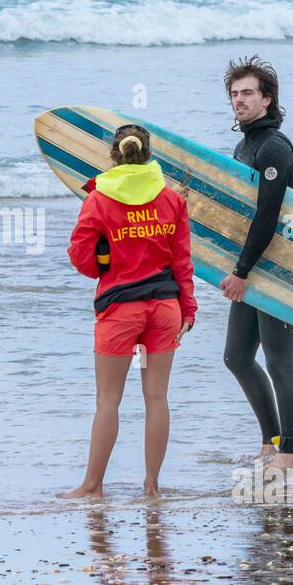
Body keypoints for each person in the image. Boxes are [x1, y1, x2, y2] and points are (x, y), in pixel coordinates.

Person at [62, 125, 196, 498]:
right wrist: (189, 309)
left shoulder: (98, 199)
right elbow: (183, 262)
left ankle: (92, 486)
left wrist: (104, 262)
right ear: (149, 155)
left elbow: (82, 259)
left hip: (120, 310)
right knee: (157, 397)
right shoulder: (172, 199)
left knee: (108, 400)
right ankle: (152, 486)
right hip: (165, 308)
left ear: (114, 156)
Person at [217, 56, 293, 471]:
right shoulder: (243, 145)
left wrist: (241, 271)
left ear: (267, 99)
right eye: (234, 94)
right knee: (236, 356)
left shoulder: (274, 147)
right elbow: (240, 214)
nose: (239, 100)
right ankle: (269, 442)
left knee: (279, 361)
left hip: (277, 267)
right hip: (250, 264)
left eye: (248, 92)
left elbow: (268, 214)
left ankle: (288, 451)